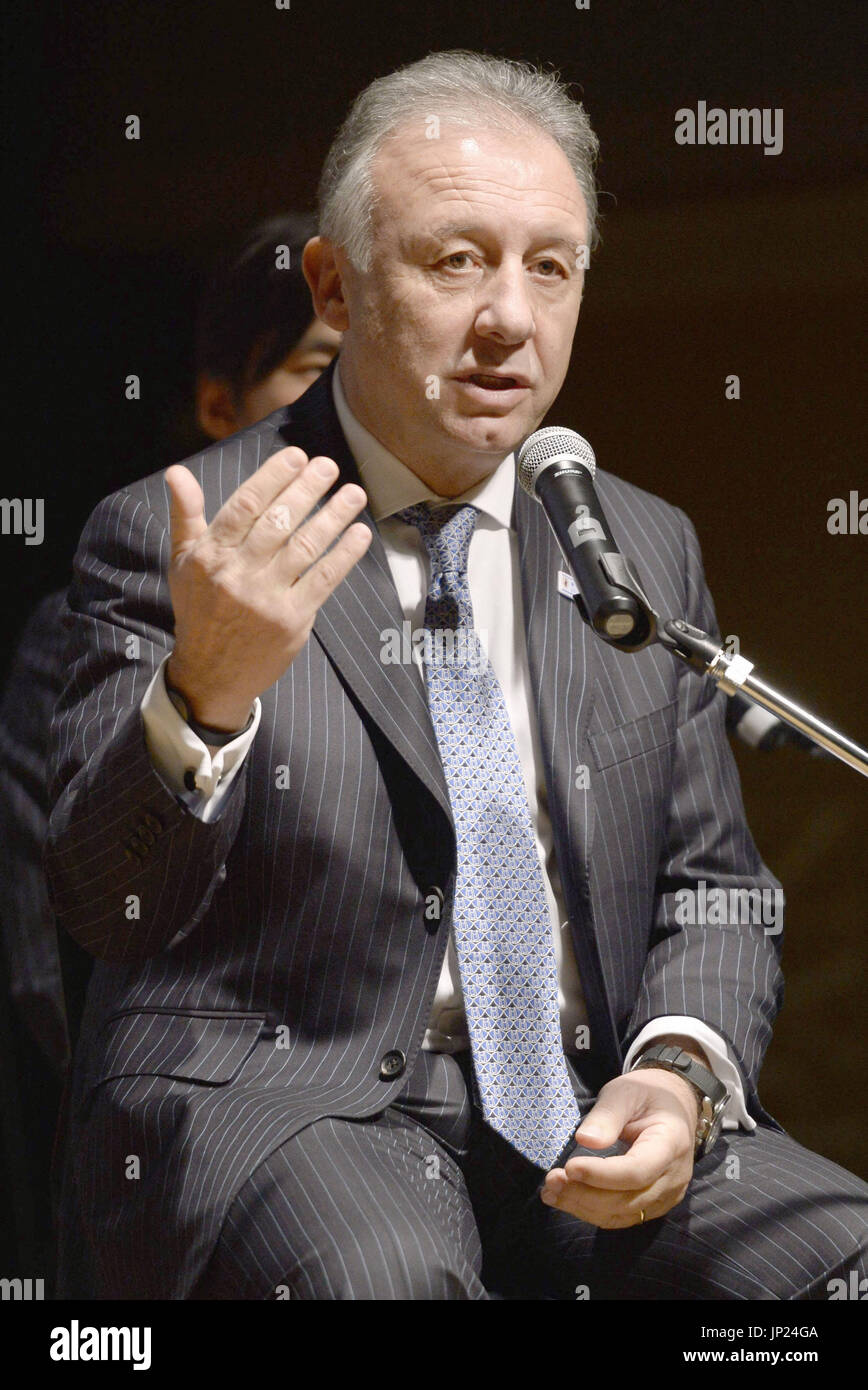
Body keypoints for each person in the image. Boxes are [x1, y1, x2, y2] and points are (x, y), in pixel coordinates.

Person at [45, 51, 867, 1301]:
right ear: (334, 279)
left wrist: (677, 1073)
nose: (510, 319)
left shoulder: (634, 545)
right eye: (454, 260)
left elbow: (713, 889)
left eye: (550, 266)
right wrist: (201, 693)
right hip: (292, 1110)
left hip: (577, 1111)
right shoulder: (189, 527)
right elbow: (106, 908)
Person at [0, 211, 339, 1280]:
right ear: (216, 407)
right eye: (316, 370)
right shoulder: (100, 612)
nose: (348, 413)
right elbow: (48, 951)